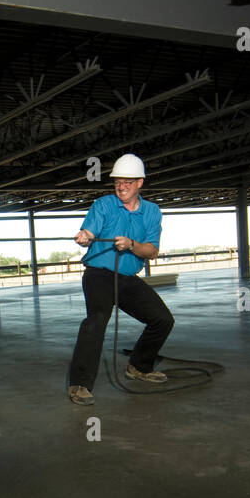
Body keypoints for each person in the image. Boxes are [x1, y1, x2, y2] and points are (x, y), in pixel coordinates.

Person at [67, 153, 175, 405]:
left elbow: (151, 250)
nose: (121, 186)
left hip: (127, 277)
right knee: (96, 320)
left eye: (128, 181)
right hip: (98, 274)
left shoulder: (152, 211)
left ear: (140, 183)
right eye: (117, 181)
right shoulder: (103, 205)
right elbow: (91, 230)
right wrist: (85, 235)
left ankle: (139, 366)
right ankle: (80, 384)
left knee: (162, 319)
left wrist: (131, 244)